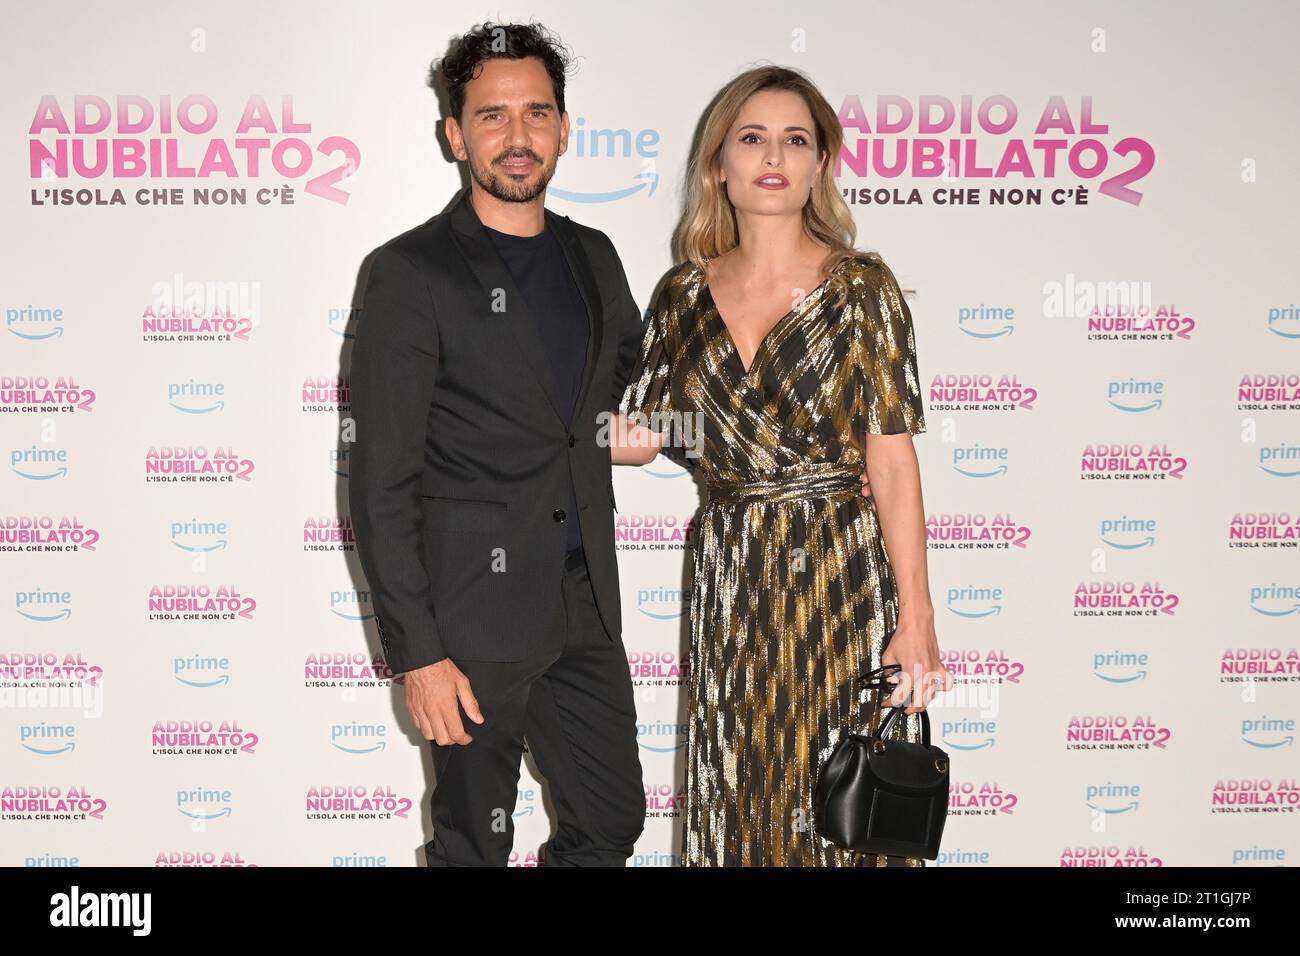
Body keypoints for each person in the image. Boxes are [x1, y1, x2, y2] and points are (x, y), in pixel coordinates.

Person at [613, 65, 954, 866]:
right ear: (718, 166)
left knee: (840, 800)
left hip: (839, 570)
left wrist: (918, 615)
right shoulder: (682, 296)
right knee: (742, 788)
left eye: (796, 139)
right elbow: (650, 429)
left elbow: (893, 462)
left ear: (819, 164)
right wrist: (539, 429)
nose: (775, 155)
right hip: (733, 575)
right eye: (753, 137)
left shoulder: (862, 288)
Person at [348, 21, 650, 866]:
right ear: (455, 134)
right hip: (470, 619)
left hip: (586, 603)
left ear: (562, 127)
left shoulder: (595, 257)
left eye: (536, 114)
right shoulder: (412, 272)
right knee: (472, 847)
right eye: (492, 117)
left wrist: (611, 435)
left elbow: (613, 385)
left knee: (611, 822)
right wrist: (420, 656)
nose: (517, 138)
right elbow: (380, 483)